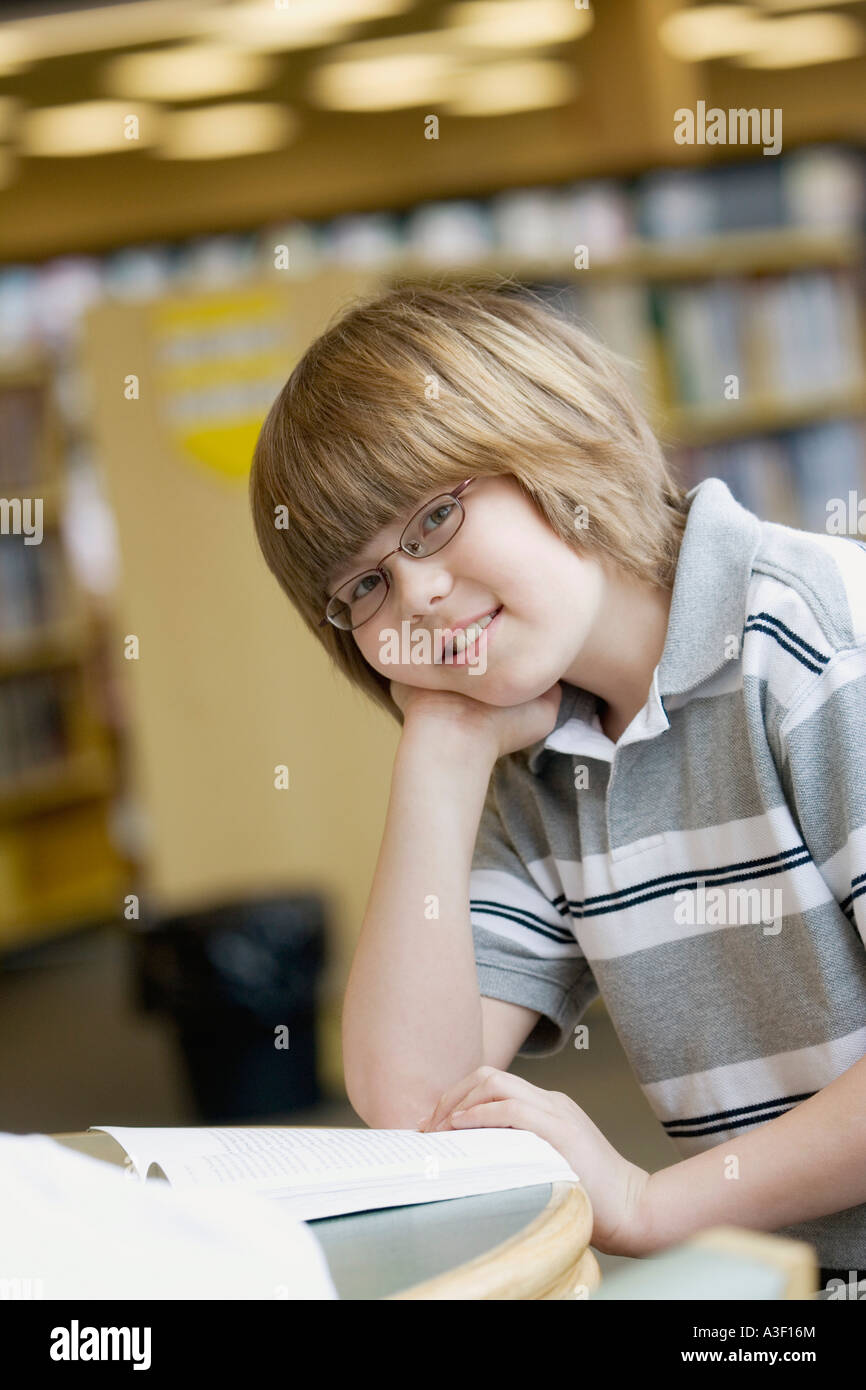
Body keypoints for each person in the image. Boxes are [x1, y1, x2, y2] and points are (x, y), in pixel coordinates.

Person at [249, 281, 866, 1286]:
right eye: (361, 587)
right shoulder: (539, 751)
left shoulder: (818, 637)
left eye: (434, 517)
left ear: (554, 441)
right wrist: (439, 757)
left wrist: (650, 1204)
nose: (417, 595)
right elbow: (418, 1103)